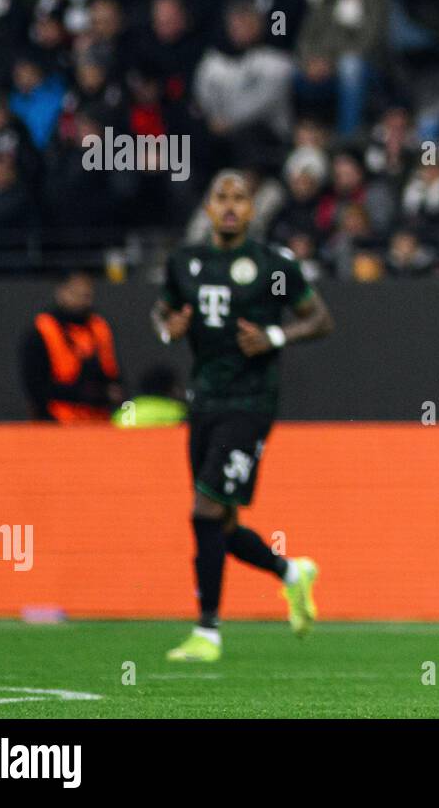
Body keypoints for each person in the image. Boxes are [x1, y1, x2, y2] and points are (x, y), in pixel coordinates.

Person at [153, 171, 334, 662]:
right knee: (221, 525)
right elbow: (163, 312)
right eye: (221, 197)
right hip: (204, 400)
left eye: (239, 198)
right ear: (208, 208)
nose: (230, 206)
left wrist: (275, 337)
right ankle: (292, 573)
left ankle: (207, 632)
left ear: (253, 210)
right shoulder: (185, 262)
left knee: (203, 511)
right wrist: (169, 327)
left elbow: (320, 318)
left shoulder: (272, 264)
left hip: (251, 402)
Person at [19, 270, 122, 421]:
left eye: (86, 295)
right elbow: (36, 387)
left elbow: (113, 374)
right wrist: (84, 393)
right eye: (76, 293)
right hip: (56, 422)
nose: (82, 300)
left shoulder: (99, 327)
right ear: (61, 292)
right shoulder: (42, 330)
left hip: (99, 423)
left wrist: (109, 392)